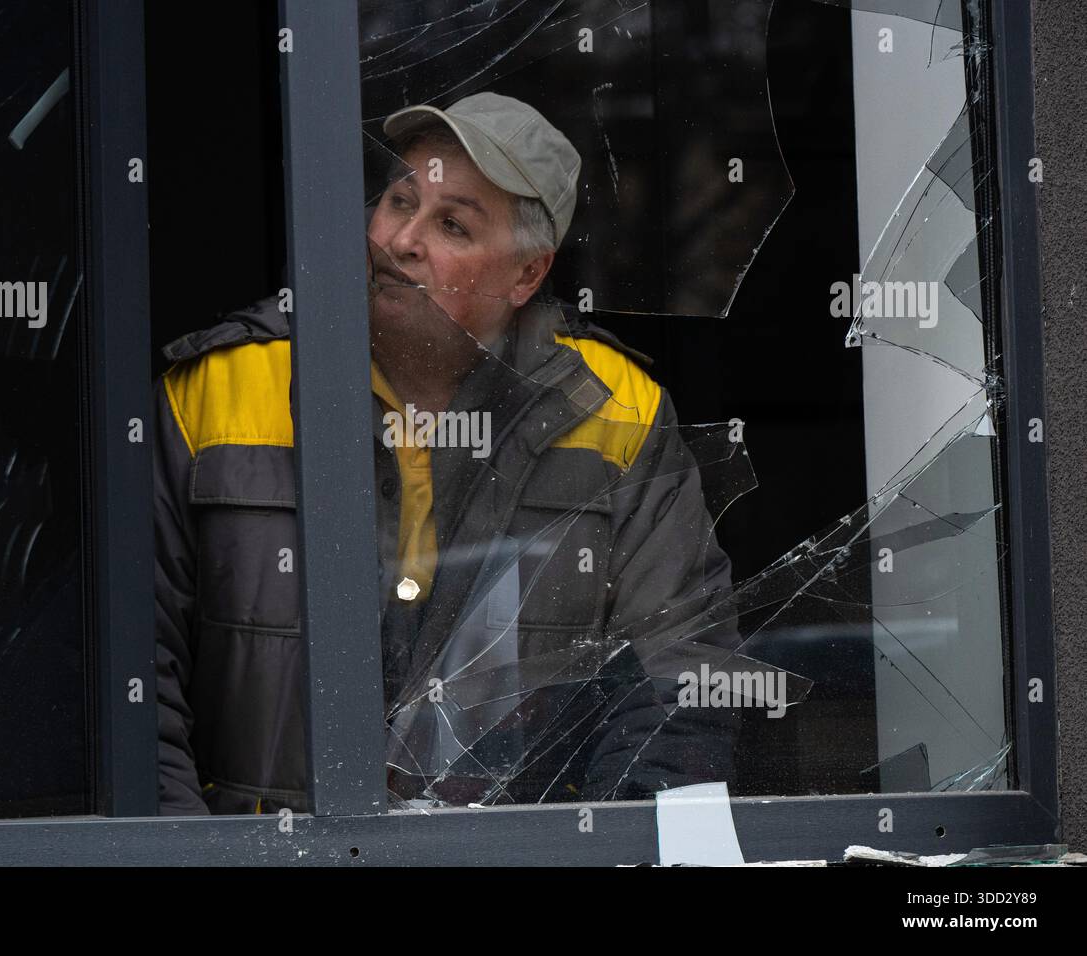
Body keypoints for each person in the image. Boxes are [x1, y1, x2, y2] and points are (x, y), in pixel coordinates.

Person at [155, 92, 739, 815]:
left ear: (526, 275)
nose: (402, 240)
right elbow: (135, 681)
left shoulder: (618, 410)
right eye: (399, 202)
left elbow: (681, 678)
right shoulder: (219, 386)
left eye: (452, 224)